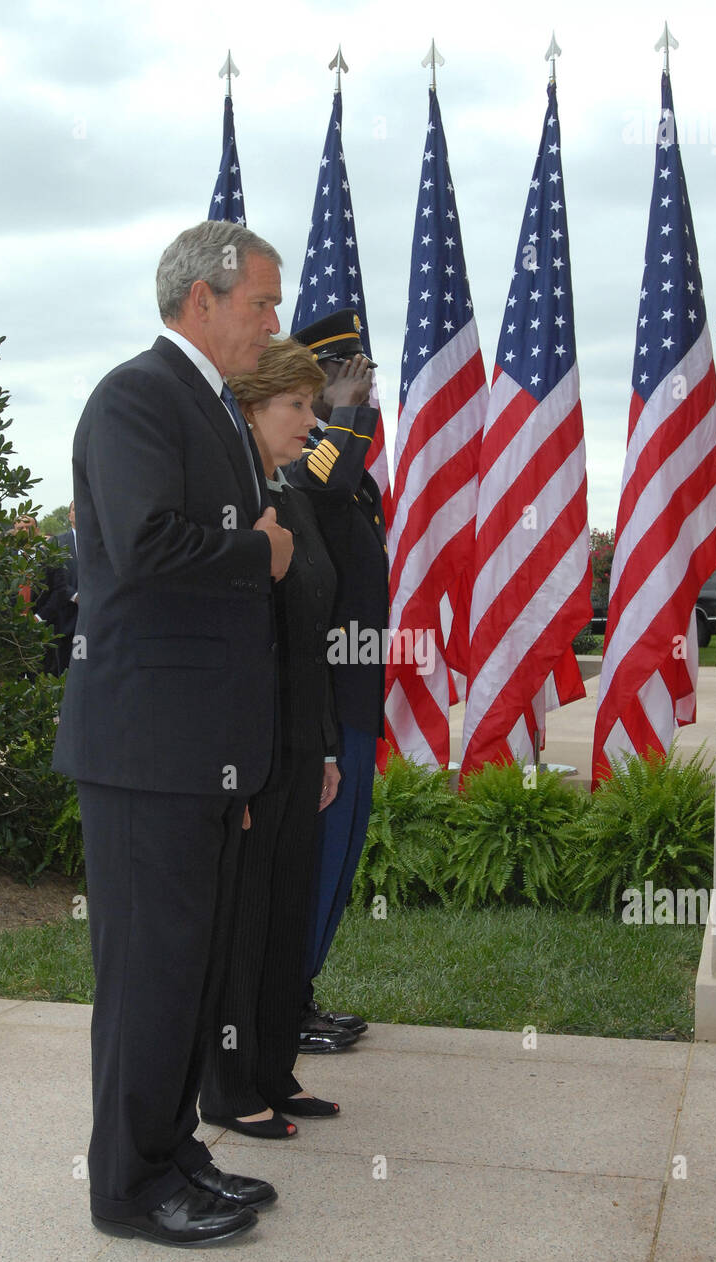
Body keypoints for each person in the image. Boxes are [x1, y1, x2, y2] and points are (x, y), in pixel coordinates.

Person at [52, 220, 294, 1247]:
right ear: (201, 299)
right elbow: (147, 543)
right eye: (260, 303)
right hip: (146, 752)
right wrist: (259, 548)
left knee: (189, 970)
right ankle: (128, 1185)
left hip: (199, 748)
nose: (271, 322)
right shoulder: (135, 397)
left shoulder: (211, 410)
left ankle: (171, 1150)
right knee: (150, 974)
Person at [199, 337, 350, 1139]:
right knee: (243, 919)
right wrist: (238, 770)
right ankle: (227, 1089)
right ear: (251, 408)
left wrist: (325, 746)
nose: (311, 421)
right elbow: (233, 645)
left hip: (298, 742)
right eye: (296, 406)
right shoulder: (234, 506)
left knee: (285, 911)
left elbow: (312, 633)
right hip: (247, 749)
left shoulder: (290, 494)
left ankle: (272, 1069)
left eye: (313, 406)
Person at [286, 311, 389, 1052]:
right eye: (350, 372)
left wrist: (347, 417)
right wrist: (346, 413)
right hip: (320, 700)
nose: (366, 385)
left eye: (366, 373)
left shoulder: (350, 479)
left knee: (338, 858)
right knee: (312, 857)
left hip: (354, 691)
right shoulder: (297, 469)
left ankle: (299, 992)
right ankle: (280, 1004)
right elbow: (322, 485)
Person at [34, 500, 79, 675]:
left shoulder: (103, 542)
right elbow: (52, 581)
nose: (79, 512)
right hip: (66, 618)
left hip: (97, 618)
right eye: (75, 509)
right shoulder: (56, 543)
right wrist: (74, 595)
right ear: (69, 516)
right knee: (68, 670)